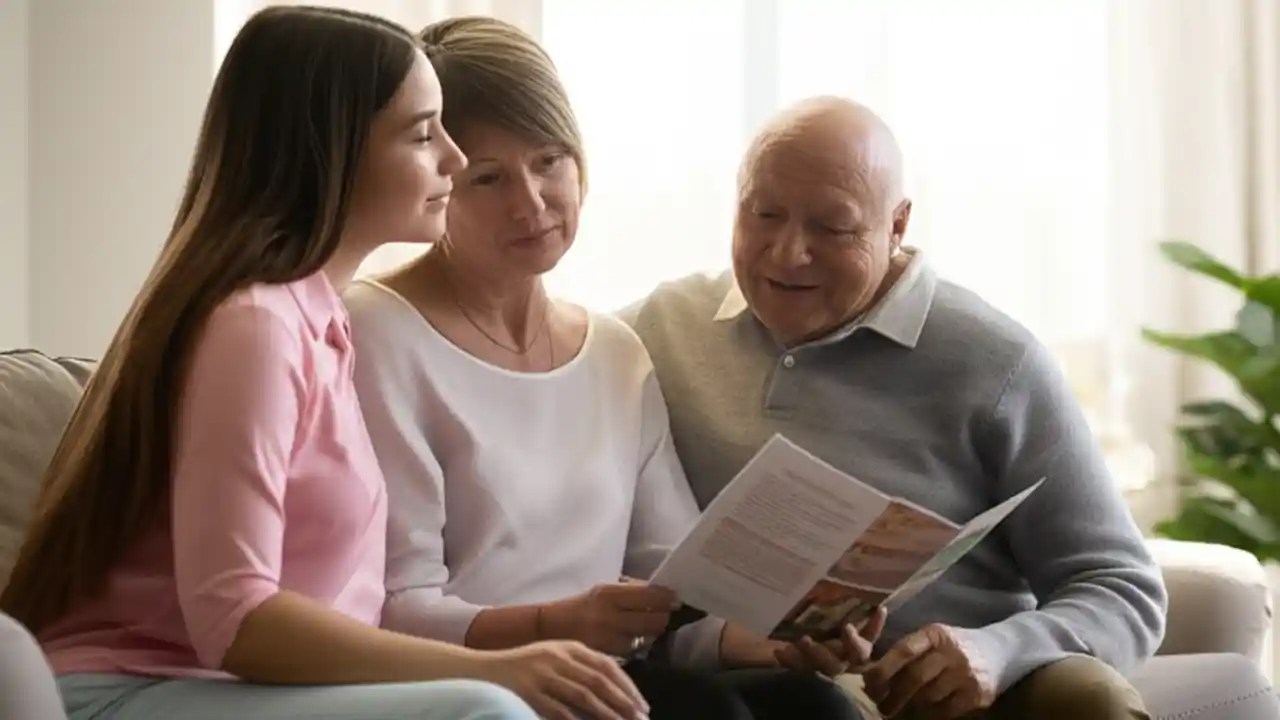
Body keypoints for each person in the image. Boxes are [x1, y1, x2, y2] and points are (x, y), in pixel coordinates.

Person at [0, 7, 647, 720]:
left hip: (244, 693)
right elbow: (234, 615)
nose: (454, 162)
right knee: (483, 712)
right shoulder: (255, 325)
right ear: (333, 149)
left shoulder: (322, 319)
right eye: (424, 133)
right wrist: (497, 669)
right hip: (130, 691)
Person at [344, 16, 873, 720]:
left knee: (815, 707)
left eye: (549, 161)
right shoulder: (376, 331)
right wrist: (558, 623)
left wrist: (781, 642)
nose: (531, 204)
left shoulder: (615, 351)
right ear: (437, 182)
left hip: (606, 680)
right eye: (489, 178)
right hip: (470, 686)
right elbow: (392, 607)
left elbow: (674, 596)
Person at [622, 96, 1172, 720]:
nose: (787, 253)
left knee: (1091, 700)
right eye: (764, 214)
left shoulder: (995, 362)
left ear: (897, 225)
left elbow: (1123, 586)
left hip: (963, 686)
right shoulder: (657, 329)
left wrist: (995, 652)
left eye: (832, 228)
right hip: (760, 683)